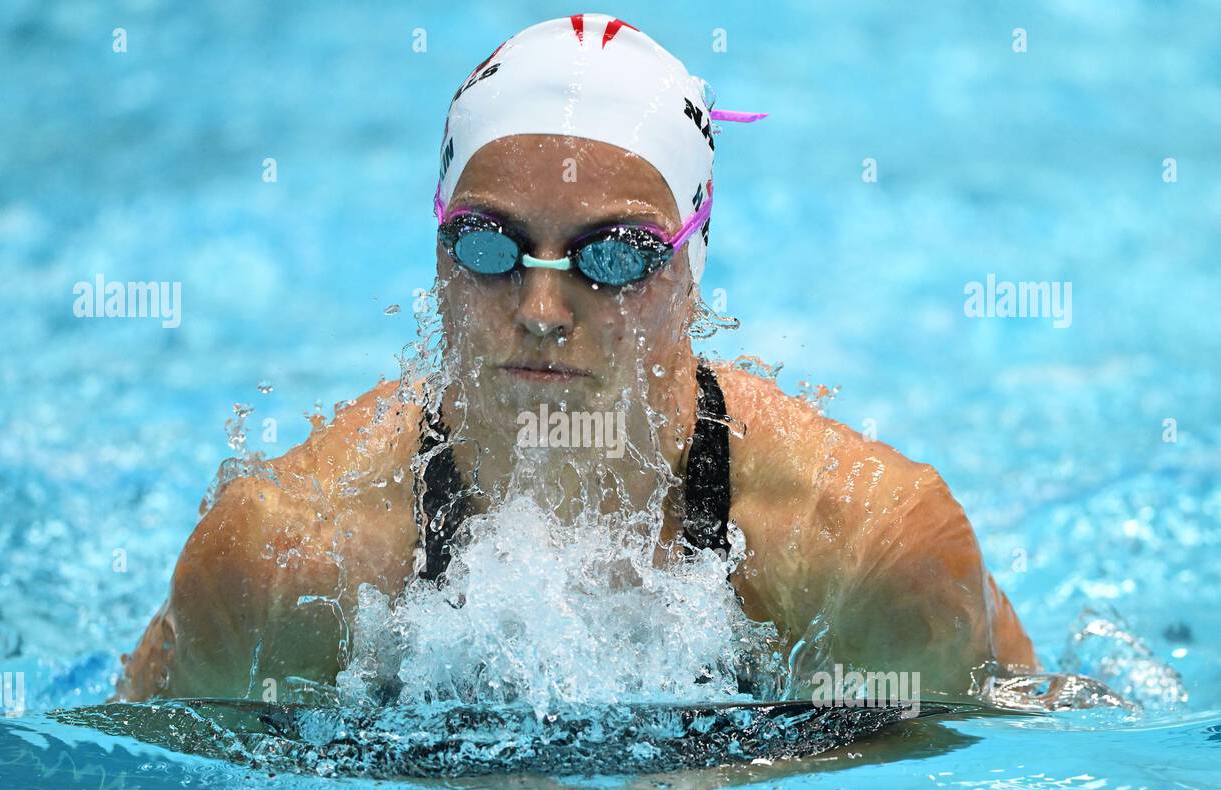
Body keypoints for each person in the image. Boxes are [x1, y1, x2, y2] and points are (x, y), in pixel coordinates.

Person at [117, 13, 1036, 703]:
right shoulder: (284, 562)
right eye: (487, 243)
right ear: (437, 250)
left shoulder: (869, 556)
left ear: (692, 270)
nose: (543, 307)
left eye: (615, 255)